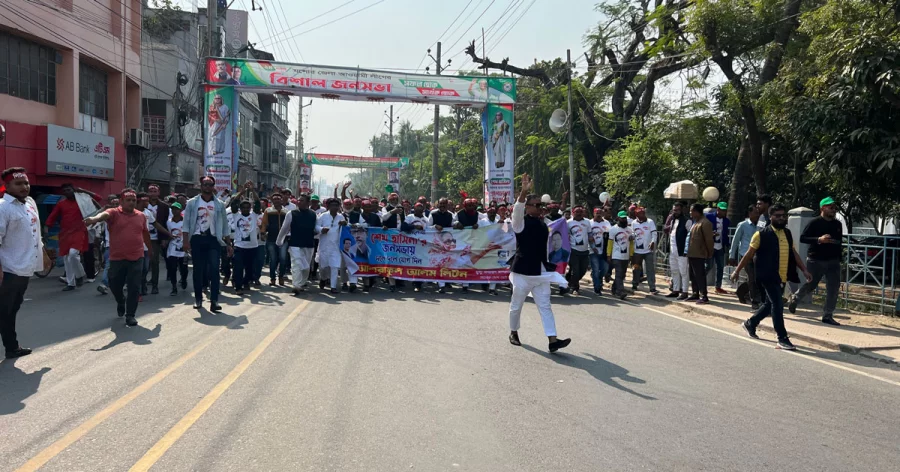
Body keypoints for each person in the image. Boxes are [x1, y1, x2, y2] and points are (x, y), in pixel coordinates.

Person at [731, 203, 813, 351]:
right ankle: (782, 338)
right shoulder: (761, 234)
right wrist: (737, 271)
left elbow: (793, 254)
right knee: (777, 304)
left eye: (784, 215)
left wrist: (805, 270)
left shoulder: (787, 233)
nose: (782, 218)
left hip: (781, 275)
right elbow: (749, 254)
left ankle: (751, 323)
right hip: (766, 275)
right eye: (778, 216)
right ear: (771, 217)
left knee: (769, 304)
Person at [507, 174, 571, 353]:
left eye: (541, 205)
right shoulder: (519, 223)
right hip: (522, 272)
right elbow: (517, 209)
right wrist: (523, 192)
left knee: (545, 306)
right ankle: (513, 332)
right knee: (516, 305)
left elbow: (559, 220)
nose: (540, 208)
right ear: (527, 208)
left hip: (541, 272)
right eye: (537, 205)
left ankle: (552, 340)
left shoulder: (544, 222)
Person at [83, 189, 151, 327]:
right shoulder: (114, 213)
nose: (131, 203)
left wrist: (150, 250)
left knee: (134, 287)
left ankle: (130, 315)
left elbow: (145, 234)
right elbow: (103, 215)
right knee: (114, 285)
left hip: (137, 257)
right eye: (128, 200)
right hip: (117, 258)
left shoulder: (141, 216)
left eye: (133, 200)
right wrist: (94, 219)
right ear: (121, 201)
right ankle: (120, 301)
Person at [0, 168, 45, 358]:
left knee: (11, 310)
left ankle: (12, 348)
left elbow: (36, 233)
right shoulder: (3, 207)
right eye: (18, 184)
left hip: (24, 269)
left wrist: (44, 254)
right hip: (9, 270)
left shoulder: (29, 204)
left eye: (26, 183)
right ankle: (12, 346)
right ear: (7, 186)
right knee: (4, 310)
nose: (24, 187)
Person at [788, 196, 844, 325]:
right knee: (811, 284)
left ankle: (828, 315)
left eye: (834, 207)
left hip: (833, 261)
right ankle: (795, 298)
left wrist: (839, 257)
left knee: (833, 288)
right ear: (823, 208)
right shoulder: (815, 222)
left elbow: (839, 241)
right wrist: (819, 239)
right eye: (830, 207)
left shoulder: (837, 224)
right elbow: (803, 238)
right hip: (816, 259)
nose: (833, 209)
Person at [183, 176, 231, 312]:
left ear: (214, 187)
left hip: (213, 239)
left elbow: (225, 225)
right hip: (197, 238)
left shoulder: (219, 204)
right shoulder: (192, 203)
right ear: (201, 186)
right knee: (198, 270)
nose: (208, 187)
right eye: (205, 184)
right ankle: (198, 299)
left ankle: (214, 300)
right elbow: (186, 223)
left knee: (215, 269)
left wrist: (228, 243)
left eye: (210, 185)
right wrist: (185, 241)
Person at [45, 183, 89, 291]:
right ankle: (71, 283)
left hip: (79, 231)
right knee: (66, 259)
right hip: (65, 233)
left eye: (69, 189)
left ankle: (79, 276)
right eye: (64, 191)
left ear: (73, 190)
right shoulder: (61, 204)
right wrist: (46, 227)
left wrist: (84, 190)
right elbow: (53, 216)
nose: (67, 192)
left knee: (73, 254)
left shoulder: (81, 201)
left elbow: (98, 199)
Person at [277, 194, 318, 293]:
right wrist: (279, 241)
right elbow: (284, 228)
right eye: (298, 200)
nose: (299, 202)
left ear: (308, 203)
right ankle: (296, 285)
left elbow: (316, 228)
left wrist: (322, 231)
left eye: (302, 200)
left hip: (308, 244)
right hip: (295, 243)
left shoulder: (313, 214)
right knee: (296, 263)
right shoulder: (291, 213)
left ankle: (302, 282)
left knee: (306, 267)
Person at [729, 204, 762, 309]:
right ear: (749, 213)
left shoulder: (761, 225)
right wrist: (732, 255)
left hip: (758, 255)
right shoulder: (743, 225)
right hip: (746, 255)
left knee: (757, 278)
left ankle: (742, 291)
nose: (757, 215)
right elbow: (735, 241)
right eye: (755, 213)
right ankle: (754, 301)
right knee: (752, 277)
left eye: (758, 213)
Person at [137, 192, 170, 296]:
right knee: (141, 267)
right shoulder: (133, 212)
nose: (148, 202)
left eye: (148, 200)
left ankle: (154, 286)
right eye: (145, 201)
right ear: (139, 201)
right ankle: (142, 286)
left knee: (153, 262)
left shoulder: (147, 212)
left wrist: (168, 234)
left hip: (153, 240)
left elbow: (156, 224)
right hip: (137, 242)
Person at [316, 198, 347, 294]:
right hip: (324, 245)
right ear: (328, 206)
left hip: (336, 246)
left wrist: (345, 224)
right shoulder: (323, 216)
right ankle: (323, 278)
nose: (335, 207)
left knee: (334, 266)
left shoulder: (341, 216)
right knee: (323, 266)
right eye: (332, 205)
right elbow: (316, 226)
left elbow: (346, 227)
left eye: (336, 205)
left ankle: (333, 286)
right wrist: (321, 229)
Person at [231, 199, 260, 296]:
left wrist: (252, 190)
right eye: (243, 207)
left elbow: (258, 203)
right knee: (238, 267)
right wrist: (242, 191)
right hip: (239, 246)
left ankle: (246, 281)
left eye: (248, 207)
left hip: (252, 247)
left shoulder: (254, 215)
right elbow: (233, 203)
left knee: (250, 268)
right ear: (240, 208)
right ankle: (238, 287)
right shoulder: (236, 215)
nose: (245, 209)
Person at [687, 203, 714, 304]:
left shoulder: (705, 223)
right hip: (692, 253)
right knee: (693, 275)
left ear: (697, 212)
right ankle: (695, 293)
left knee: (699, 275)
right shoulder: (695, 222)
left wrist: (709, 252)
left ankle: (704, 296)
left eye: (691, 211)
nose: (690, 213)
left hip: (699, 253)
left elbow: (709, 240)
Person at [145, 184, 170, 295]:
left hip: (156, 238)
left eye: (155, 191)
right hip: (143, 237)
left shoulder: (164, 206)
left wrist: (165, 238)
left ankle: (155, 285)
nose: (153, 193)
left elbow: (165, 222)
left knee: (155, 261)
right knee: (144, 262)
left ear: (158, 193)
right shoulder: (143, 205)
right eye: (150, 191)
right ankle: (142, 283)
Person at [666, 202, 692, 300]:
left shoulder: (687, 221)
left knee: (684, 272)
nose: (675, 212)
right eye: (674, 210)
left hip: (682, 251)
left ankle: (685, 291)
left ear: (682, 210)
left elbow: (690, 236)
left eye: (677, 210)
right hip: (673, 251)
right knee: (674, 271)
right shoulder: (672, 220)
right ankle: (675, 290)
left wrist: (687, 250)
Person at [261, 192, 289, 286]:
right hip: (271, 239)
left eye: (278, 198)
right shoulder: (268, 211)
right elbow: (264, 223)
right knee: (273, 259)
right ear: (272, 200)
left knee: (283, 259)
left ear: (281, 200)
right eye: (275, 198)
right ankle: (273, 278)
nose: (277, 200)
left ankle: (281, 276)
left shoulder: (286, 212)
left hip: (283, 239)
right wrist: (263, 232)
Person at [566, 206, 593, 296]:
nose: (579, 213)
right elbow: (565, 236)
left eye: (580, 212)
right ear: (573, 212)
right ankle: (575, 288)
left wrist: (591, 239)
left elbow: (589, 233)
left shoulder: (587, 222)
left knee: (583, 270)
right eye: (577, 212)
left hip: (585, 250)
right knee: (576, 270)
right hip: (573, 250)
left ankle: (569, 279)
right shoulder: (568, 223)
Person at [607, 211, 633, 300]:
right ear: (618, 218)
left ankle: (614, 288)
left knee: (623, 274)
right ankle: (620, 291)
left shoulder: (630, 230)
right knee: (619, 273)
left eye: (625, 218)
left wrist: (631, 254)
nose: (624, 219)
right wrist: (608, 254)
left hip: (626, 256)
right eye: (622, 218)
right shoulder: (613, 229)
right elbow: (610, 243)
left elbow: (632, 243)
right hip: (616, 255)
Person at [631, 206, 658, 294]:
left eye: (643, 213)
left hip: (648, 250)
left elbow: (654, 233)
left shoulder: (650, 222)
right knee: (636, 268)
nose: (642, 215)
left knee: (650, 269)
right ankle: (635, 284)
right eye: (639, 214)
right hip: (637, 250)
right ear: (636, 215)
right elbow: (632, 233)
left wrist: (653, 242)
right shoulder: (634, 223)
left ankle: (652, 287)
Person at [706, 202, 731, 294]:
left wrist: (727, 244)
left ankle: (718, 286)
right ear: (718, 209)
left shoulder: (726, 221)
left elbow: (725, 234)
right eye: (722, 210)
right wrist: (710, 234)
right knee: (708, 266)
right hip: (710, 245)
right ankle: (700, 284)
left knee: (720, 267)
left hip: (720, 246)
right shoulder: (708, 217)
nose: (723, 212)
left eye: (725, 210)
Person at [165, 202, 189, 295]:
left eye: (177, 209)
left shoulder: (185, 222)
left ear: (180, 210)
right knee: (172, 268)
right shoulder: (168, 222)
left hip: (183, 248)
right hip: (172, 248)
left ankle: (183, 279)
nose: (175, 211)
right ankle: (174, 286)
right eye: (173, 209)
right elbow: (167, 233)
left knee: (183, 268)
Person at [589, 207, 611, 295]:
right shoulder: (589, 223)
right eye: (597, 213)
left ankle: (597, 278)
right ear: (594, 214)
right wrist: (592, 246)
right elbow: (588, 236)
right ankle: (597, 288)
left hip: (604, 250)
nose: (598, 215)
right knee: (596, 269)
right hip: (593, 250)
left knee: (605, 268)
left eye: (600, 213)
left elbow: (610, 234)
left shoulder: (606, 223)